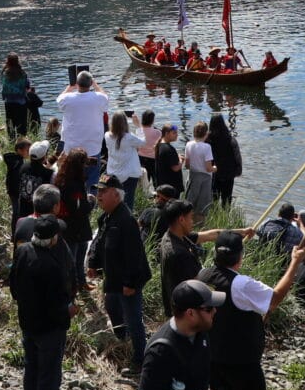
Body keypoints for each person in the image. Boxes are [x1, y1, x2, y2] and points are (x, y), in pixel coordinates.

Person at [197, 232, 305, 390]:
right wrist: (294, 262)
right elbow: (274, 299)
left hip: (213, 359)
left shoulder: (203, 275)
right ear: (240, 257)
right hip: (242, 365)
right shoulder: (241, 284)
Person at [8, 214, 75, 390]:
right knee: (49, 375)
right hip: (49, 329)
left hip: (28, 322)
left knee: (32, 368)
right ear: (54, 238)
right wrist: (69, 312)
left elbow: (14, 288)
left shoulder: (22, 251)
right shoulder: (52, 267)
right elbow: (56, 307)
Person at [87, 177, 152, 370]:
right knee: (111, 306)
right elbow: (99, 242)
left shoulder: (126, 220)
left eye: (103, 191)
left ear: (116, 195)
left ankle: (141, 359)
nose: (98, 195)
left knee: (133, 318)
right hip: (113, 277)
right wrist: (93, 263)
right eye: (98, 191)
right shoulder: (107, 216)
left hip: (128, 280)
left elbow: (134, 256)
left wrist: (130, 284)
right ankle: (124, 339)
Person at [157, 200, 252, 317]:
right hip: (187, 310)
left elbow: (212, 235)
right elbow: (199, 282)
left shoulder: (172, 236)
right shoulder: (179, 254)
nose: (192, 222)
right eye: (190, 217)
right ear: (181, 220)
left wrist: (241, 232)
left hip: (177, 303)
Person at [56, 71, 111, 187]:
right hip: (93, 148)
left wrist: (70, 87)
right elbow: (105, 97)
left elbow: (59, 99)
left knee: (71, 178)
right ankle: (90, 202)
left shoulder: (67, 98)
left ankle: (73, 201)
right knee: (92, 180)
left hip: (71, 148)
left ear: (77, 83)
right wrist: (95, 85)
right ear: (90, 83)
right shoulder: (99, 98)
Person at [54, 147, 94, 291]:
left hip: (66, 223)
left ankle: (79, 282)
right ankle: (74, 286)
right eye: (84, 163)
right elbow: (79, 209)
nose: (86, 166)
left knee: (74, 256)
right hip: (76, 226)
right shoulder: (75, 184)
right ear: (79, 165)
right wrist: (91, 202)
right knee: (75, 257)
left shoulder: (62, 177)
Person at [104, 111, 144, 210]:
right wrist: (138, 126)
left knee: (114, 201)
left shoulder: (107, 135)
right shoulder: (129, 137)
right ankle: (126, 223)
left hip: (113, 173)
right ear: (125, 123)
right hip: (130, 174)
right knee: (128, 202)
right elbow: (143, 142)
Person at [206, 114, 241, 207]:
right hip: (229, 173)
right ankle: (225, 219)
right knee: (227, 199)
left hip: (214, 173)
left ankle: (214, 218)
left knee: (214, 199)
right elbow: (237, 156)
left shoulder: (208, 140)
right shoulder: (230, 140)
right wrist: (238, 170)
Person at [184, 122, 215, 214]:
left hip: (192, 176)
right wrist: (215, 168)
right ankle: (200, 225)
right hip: (205, 179)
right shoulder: (207, 147)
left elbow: (187, 165)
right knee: (202, 207)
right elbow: (208, 168)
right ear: (206, 134)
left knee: (189, 203)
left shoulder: (188, 144)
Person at [0, 53, 34, 137]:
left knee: (10, 125)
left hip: (8, 103)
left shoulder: (5, 74)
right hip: (21, 103)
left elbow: (4, 87)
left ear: (8, 62)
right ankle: (22, 143)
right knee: (21, 126)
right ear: (17, 61)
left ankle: (11, 142)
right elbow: (27, 86)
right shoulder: (22, 73)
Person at [154, 124, 184, 197]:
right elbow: (175, 168)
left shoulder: (160, 145)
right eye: (174, 133)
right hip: (171, 187)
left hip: (163, 184)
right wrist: (181, 160)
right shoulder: (169, 149)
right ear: (166, 134)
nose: (177, 135)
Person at [137, 109, 160, 181]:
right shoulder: (157, 132)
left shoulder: (138, 130)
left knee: (144, 180)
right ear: (152, 120)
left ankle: (144, 191)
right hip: (153, 159)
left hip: (140, 158)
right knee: (155, 180)